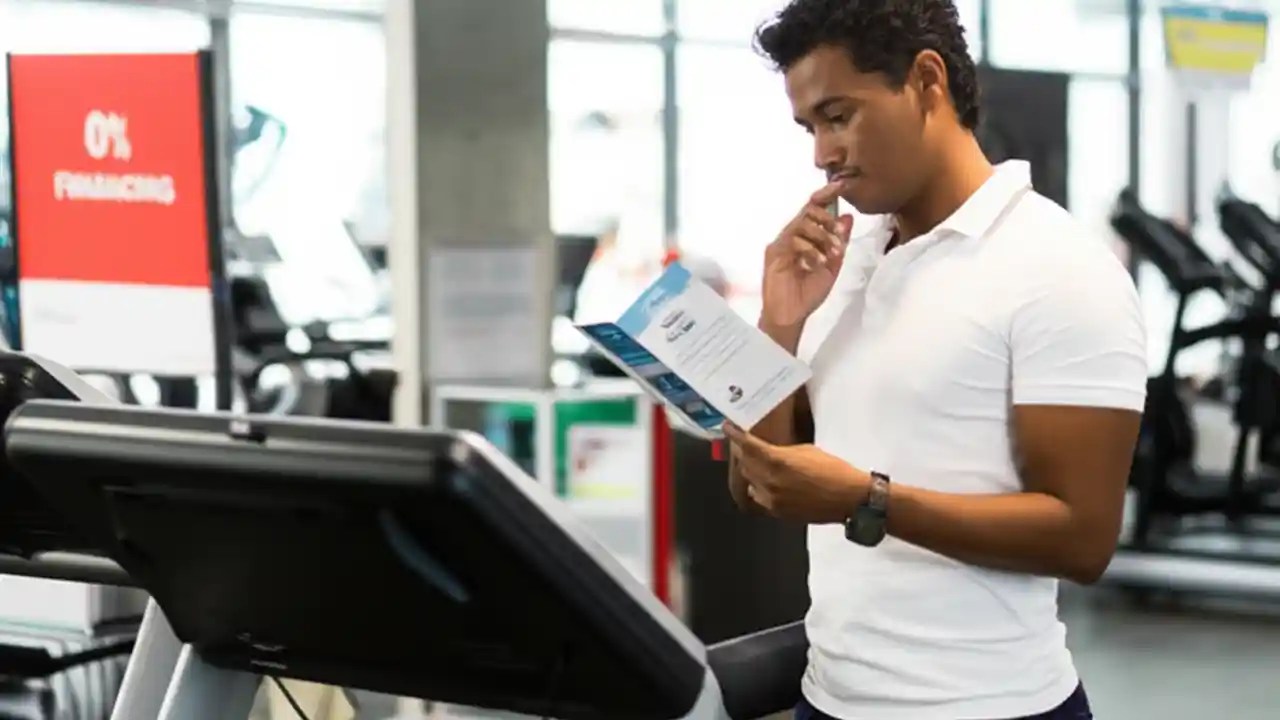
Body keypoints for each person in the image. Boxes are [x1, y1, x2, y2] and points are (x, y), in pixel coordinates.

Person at [722, 2, 1147, 719]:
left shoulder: (1061, 268)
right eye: (809, 127)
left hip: (993, 707)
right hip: (828, 699)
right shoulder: (842, 263)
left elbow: (1083, 539)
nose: (822, 153)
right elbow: (755, 486)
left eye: (838, 116)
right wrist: (780, 324)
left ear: (926, 81)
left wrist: (867, 500)